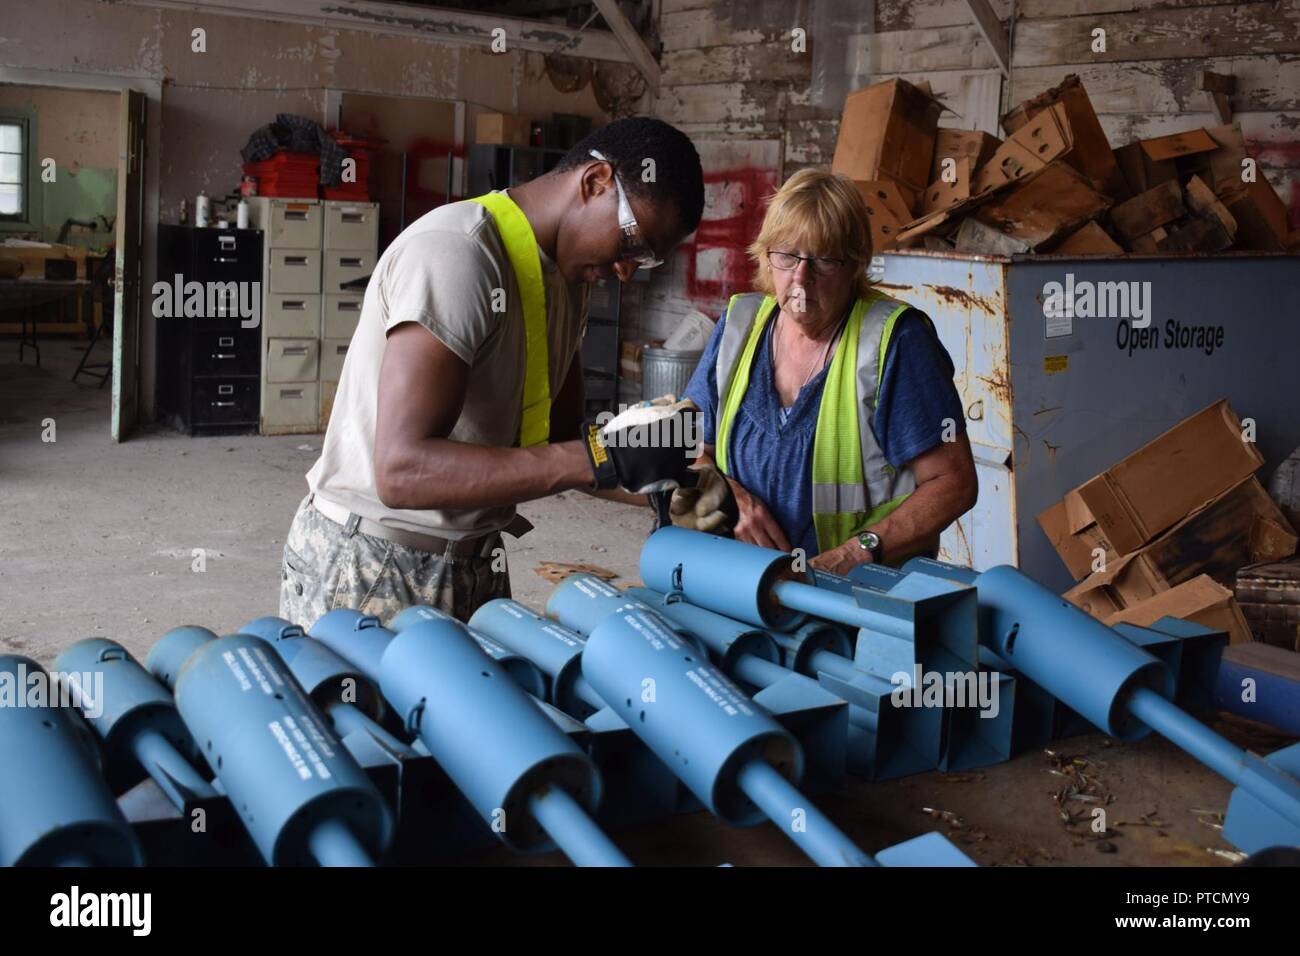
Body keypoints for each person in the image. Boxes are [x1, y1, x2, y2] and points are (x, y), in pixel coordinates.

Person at [279, 116, 706, 625]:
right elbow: (401, 470)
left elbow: (559, 441)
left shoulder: (567, 281)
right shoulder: (457, 253)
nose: (628, 270)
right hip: (374, 563)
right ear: (596, 183)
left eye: (648, 259)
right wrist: (602, 456)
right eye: (633, 242)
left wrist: (668, 482)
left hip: (475, 560)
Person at [676, 168, 978, 574]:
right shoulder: (738, 325)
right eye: (787, 256)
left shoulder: (895, 342)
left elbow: (954, 483)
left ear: (854, 266)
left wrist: (854, 554)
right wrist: (728, 497)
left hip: (856, 598)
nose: (800, 278)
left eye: (823, 260)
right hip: (742, 581)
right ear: (766, 256)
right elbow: (686, 447)